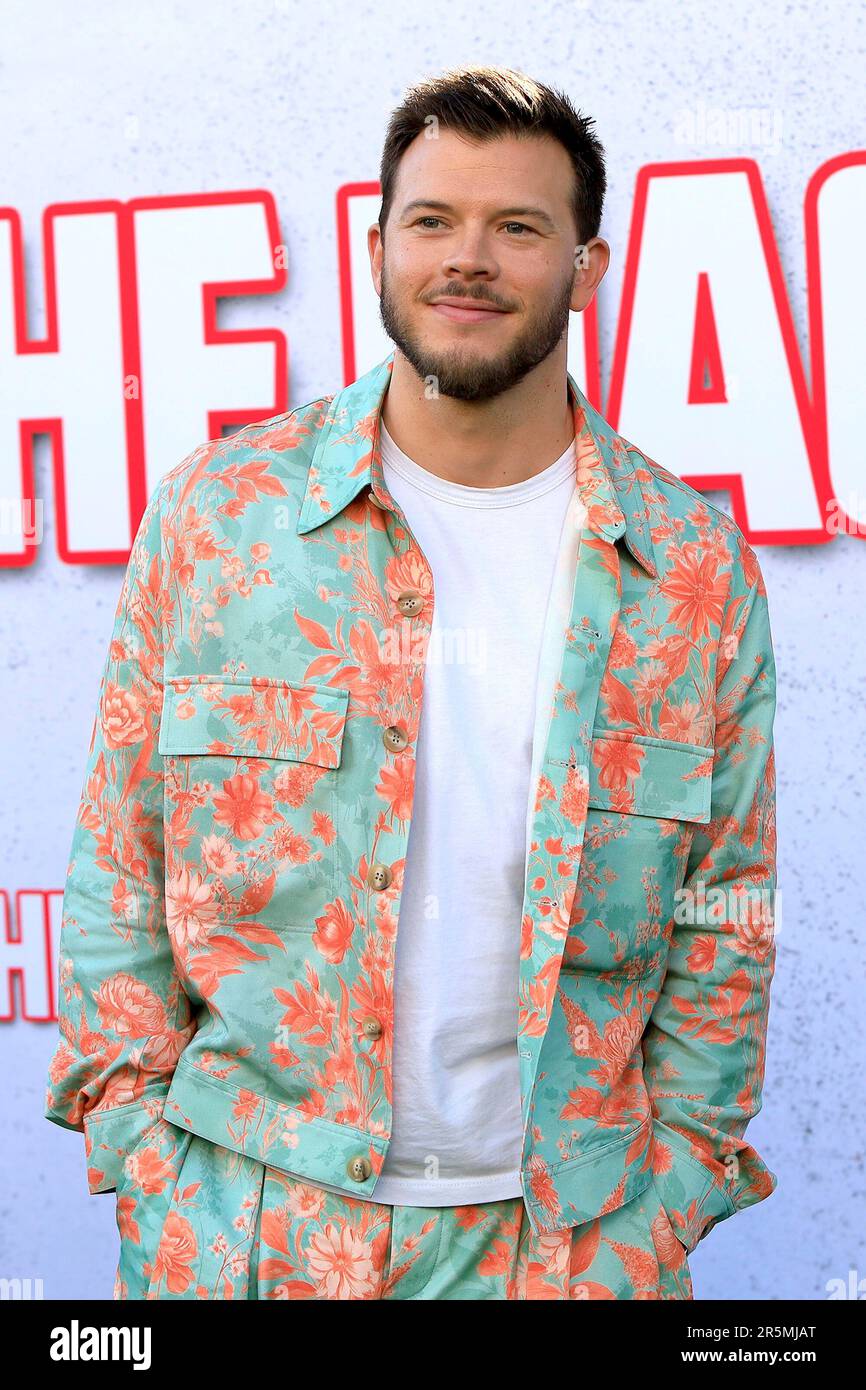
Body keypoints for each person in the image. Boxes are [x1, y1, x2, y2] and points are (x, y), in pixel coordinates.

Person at [44, 64, 778, 1301]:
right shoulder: (224, 520)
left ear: (587, 269)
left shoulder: (691, 571)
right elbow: (123, 859)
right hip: (243, 1232)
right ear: (378, 247)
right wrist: (143, 1149)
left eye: (517, 226)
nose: (467, 258)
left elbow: (725, 917)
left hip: (564, 1246)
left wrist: (667, 1201)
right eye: (433, 221)